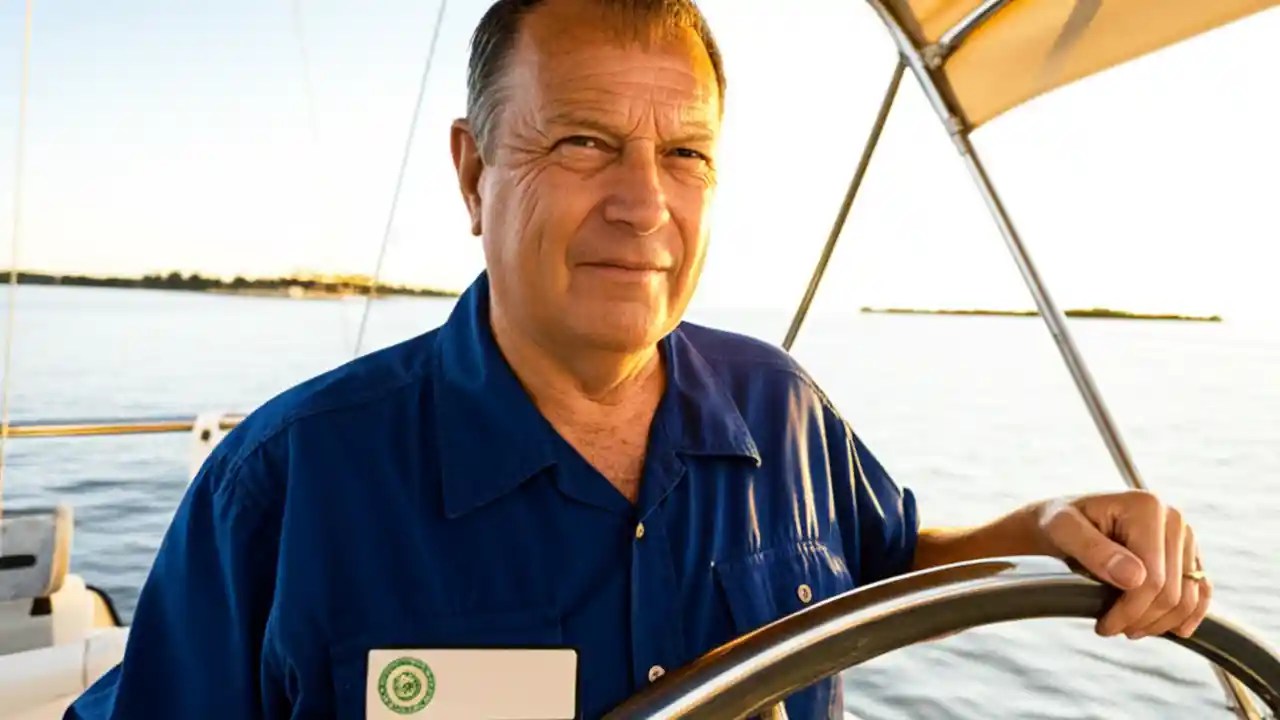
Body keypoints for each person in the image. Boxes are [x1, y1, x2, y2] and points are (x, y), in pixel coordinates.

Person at [67, 1, 1213, 718]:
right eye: (583, 143)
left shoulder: (781, 409)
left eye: (684, 153)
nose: (642, 206)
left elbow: (889, 562)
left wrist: (1053, 524)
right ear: (474, 175)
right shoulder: (285, 483)